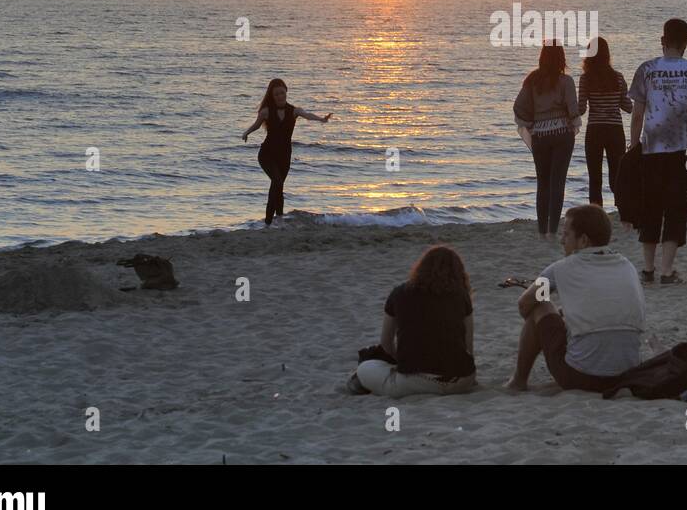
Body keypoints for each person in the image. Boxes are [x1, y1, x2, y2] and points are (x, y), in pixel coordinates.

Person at [507, 204, 646, 392]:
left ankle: (518, 381)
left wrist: (549, 324)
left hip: (581, 377)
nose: (562, 241)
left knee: (540, 306)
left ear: (583, 241)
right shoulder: (626, 266)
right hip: (627, 374)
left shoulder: (561, 269)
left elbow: (525, 304)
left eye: (566, 235)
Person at [629, 18, 687, 286]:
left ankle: (649, 268)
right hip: (683, 149)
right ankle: (666, 270)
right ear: (686, 43)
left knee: (649, 206)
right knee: (678, 206)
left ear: (662, 40)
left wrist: (633, 146)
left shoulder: (647, 69)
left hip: (650, 149)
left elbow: (637, 114)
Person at [349, 245, 477, 397]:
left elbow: (387, 345)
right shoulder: (461, 296)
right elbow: (468, 348)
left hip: (416, 381)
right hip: (461, 381)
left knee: (365, 367)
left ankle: (360, 383)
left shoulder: (399, 293)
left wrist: (407, 359)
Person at [240, 79, 331, 227]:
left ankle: (279, 219)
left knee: (279, 186)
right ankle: (268, 222)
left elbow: (307, 115)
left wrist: (322, 119)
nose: (280, 96)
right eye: (276, 94)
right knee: (276, 182)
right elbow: (256, 125)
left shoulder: (294, 111)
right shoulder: (266, 111)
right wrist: (246, 133)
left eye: (282, 93)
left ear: (286, 91)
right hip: (267, 155)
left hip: (284, 156)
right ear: (272, 96)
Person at [513, 42, 580, 241]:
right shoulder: (566, 81)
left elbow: (518, 107)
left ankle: (541, 232)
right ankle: (552, 231)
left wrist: (531, 124)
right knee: (557, 183)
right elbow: (573, 110)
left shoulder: (532, 81)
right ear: (562, 58)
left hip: (540, 135)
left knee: (542, 184)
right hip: (562, 134)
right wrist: (572, 120)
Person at [578, 36, 632, 207]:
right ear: (607, 55)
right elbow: (628, 107)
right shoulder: (618, 77)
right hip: (615, 130)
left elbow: (581, 109)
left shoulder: (586, 79)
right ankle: (623, 210)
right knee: (617, 174)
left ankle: (596, 213)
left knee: (595, 177)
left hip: (594, 130)